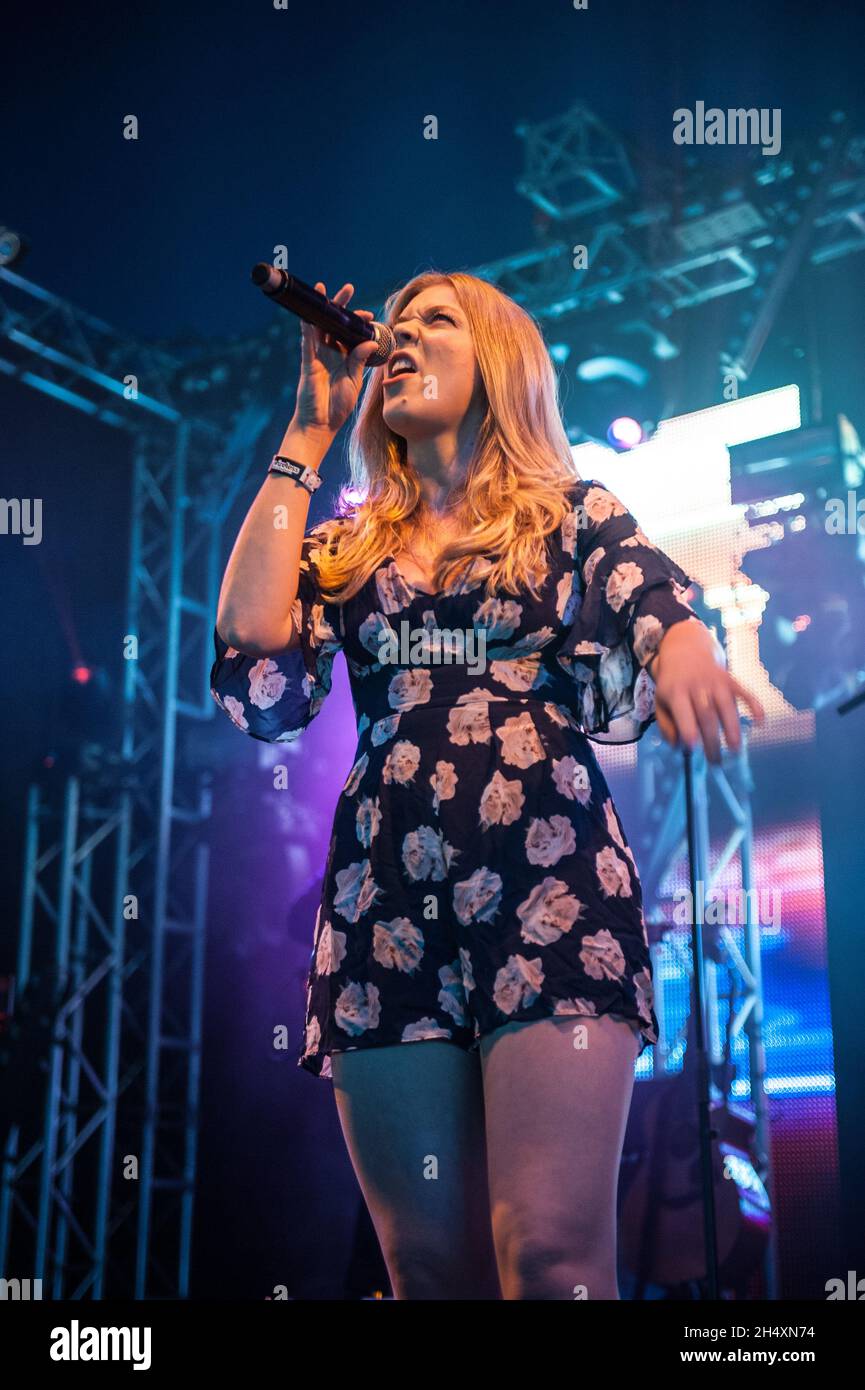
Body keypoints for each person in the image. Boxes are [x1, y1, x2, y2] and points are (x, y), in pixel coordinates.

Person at [211, 270, 764, 1300]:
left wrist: (683, 646)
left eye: (436, 321)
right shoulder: (345, 546)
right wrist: (307, 428)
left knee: (549, 1257)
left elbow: (648, 590)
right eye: (399, 324)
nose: (403, 337)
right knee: (425, 1268)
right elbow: (250, 637)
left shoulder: (568, 513)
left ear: (499, 363)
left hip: (546, 884)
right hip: (384, 903)